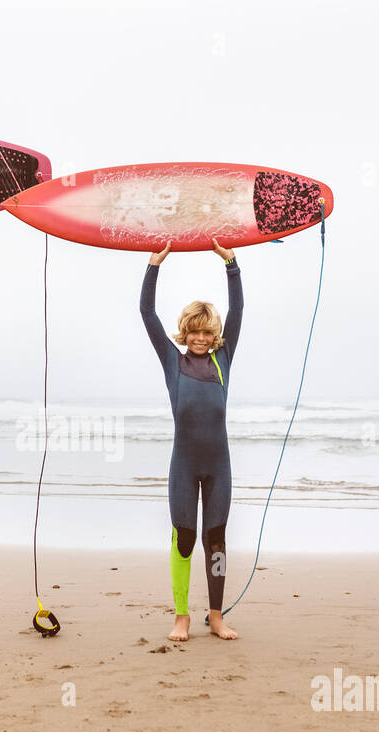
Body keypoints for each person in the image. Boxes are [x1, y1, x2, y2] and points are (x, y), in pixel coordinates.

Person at [140, 238, 243, 641]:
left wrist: (230, 263)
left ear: (214, 334)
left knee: (215, 540)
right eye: (194, 332)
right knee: (184, 538)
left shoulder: (224, 358)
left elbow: (237, 310)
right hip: (184, 464)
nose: (200, 338)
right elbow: (147, 313)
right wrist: (154, 265)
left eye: (206, 332)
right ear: (185, 332)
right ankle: (182, 615)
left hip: (219, 466)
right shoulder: (174, 361)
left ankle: (215, 616)